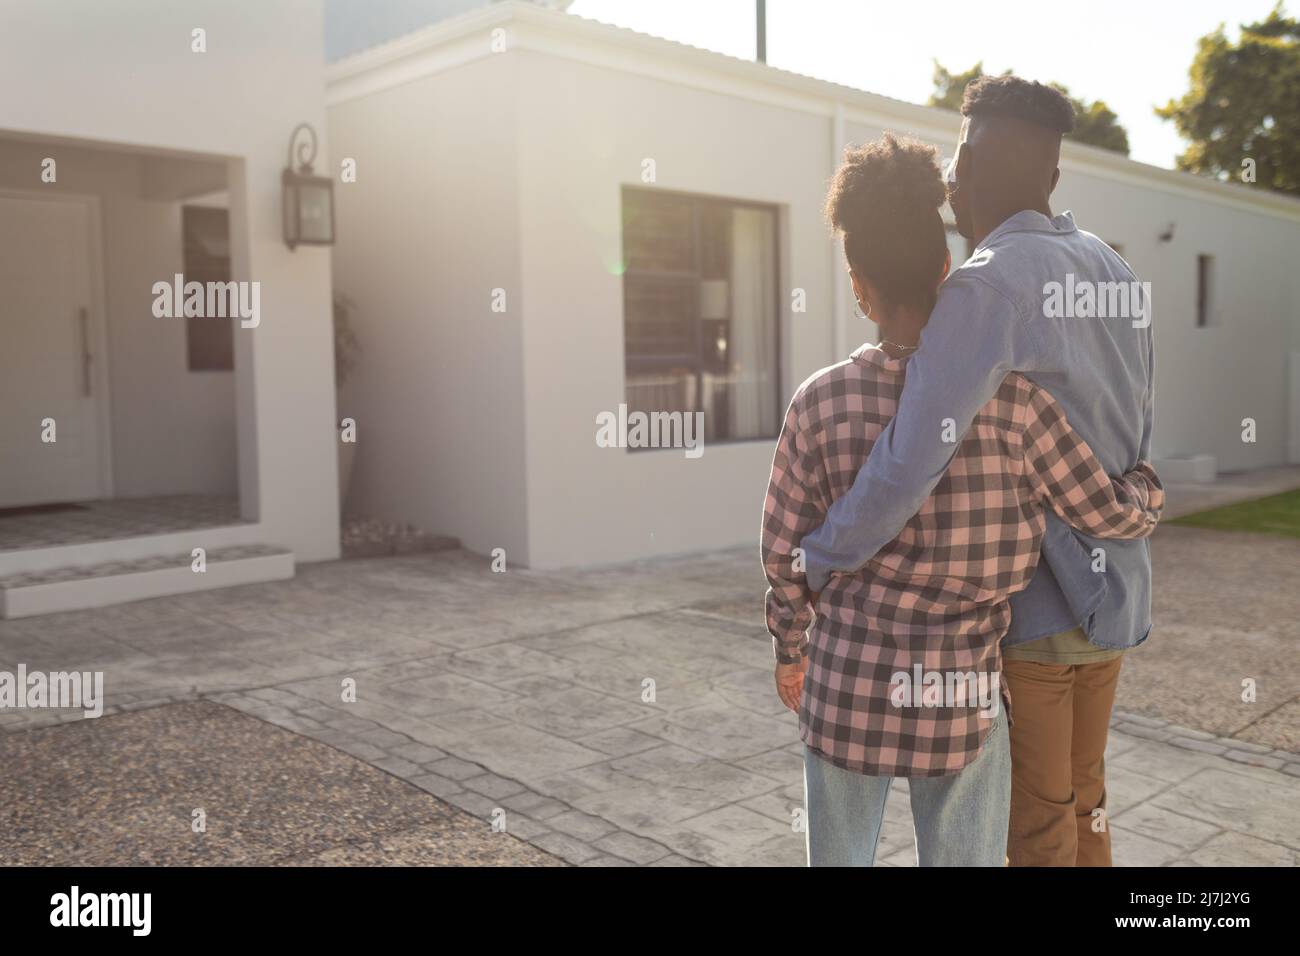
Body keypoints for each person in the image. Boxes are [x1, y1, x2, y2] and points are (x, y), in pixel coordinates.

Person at [762, 132, 1162, 867]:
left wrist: (791, 649)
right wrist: (1147, 489)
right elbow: (1101, 509)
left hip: (846, 683)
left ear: (858, 285)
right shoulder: (1012, 404)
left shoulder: (816, 403)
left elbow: (784, 554)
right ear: (947, 268)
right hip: (962, 695)